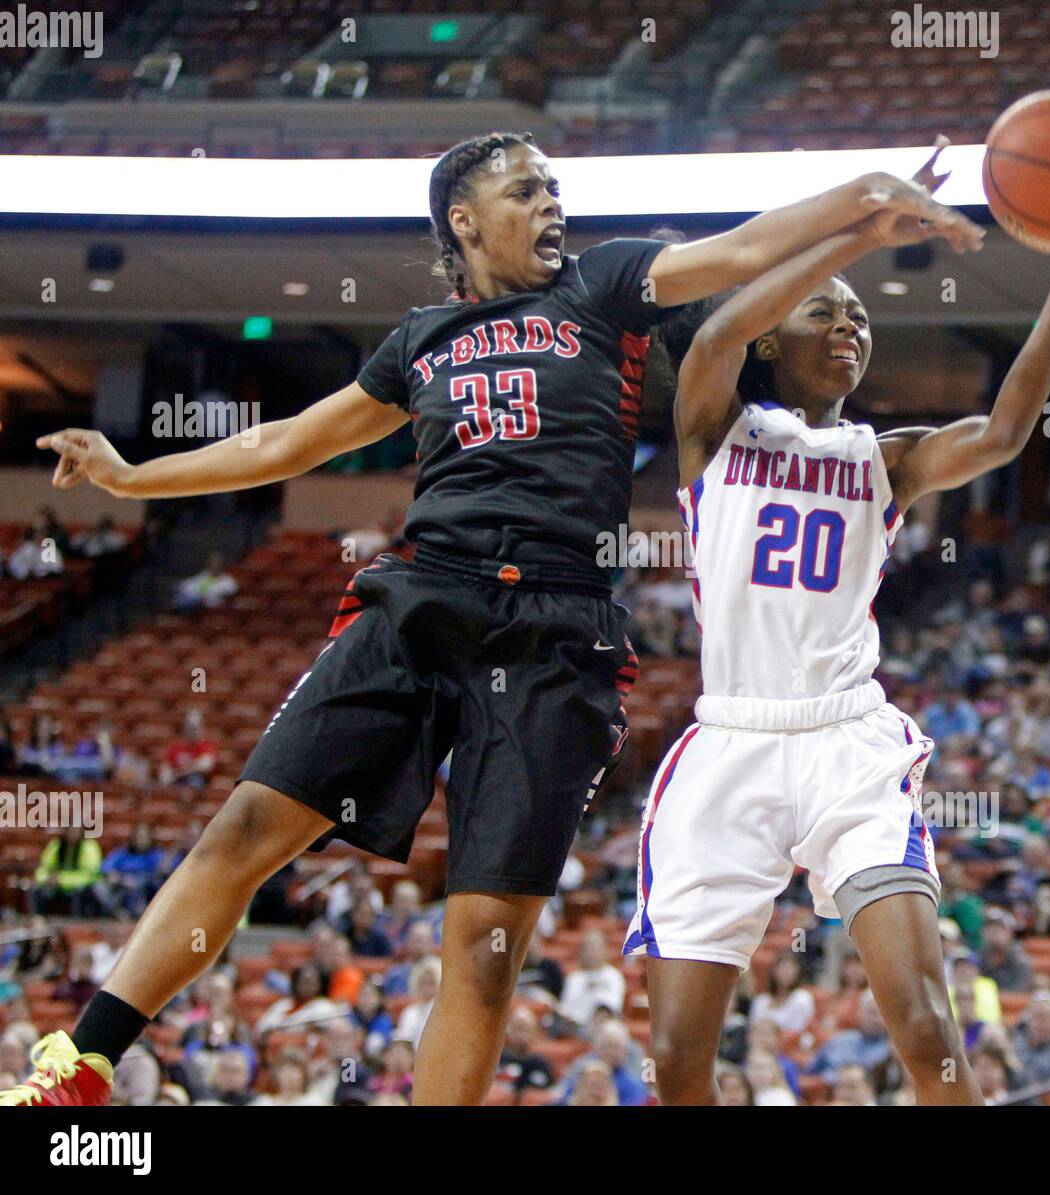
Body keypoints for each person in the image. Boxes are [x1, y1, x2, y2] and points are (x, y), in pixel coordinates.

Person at [8, 129, 979, 1108]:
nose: (552, 204)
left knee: (482, 947)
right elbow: (291, 438)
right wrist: (133, 474)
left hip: (559, 630)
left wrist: (860, 205)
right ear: (464, 219)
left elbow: (740, 251)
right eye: (527, 191)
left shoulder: (602, 288)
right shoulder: (422, 337)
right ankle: (83, 1065)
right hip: (424, 593)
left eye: (555, 187)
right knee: (245, 828)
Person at [623, 140, 1050, 1104]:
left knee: (924, 1020)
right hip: (731, 741)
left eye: (862, 316)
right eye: (827, 310)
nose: (851, 325)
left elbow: (1002, 434)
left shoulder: (883, 457)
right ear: (778, 335)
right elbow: (715, 335)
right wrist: (857, 236)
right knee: (682, 1053)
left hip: (847, 743)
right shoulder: (715, 429)